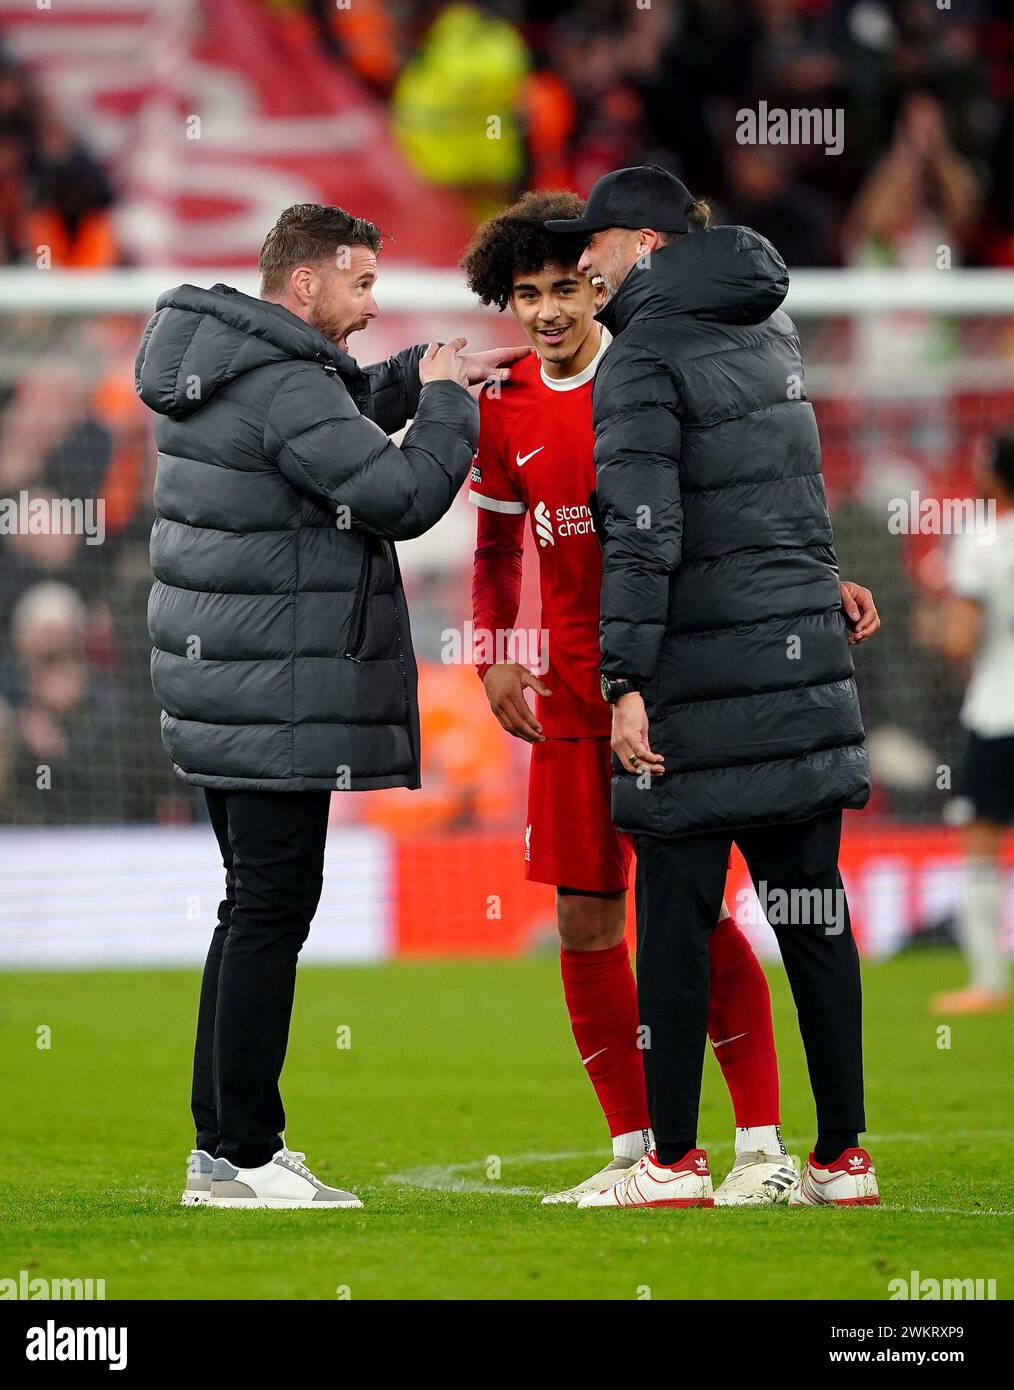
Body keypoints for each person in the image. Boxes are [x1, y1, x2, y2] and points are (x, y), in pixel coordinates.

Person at [462, 189, 880, 1206]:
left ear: (605, 278)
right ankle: (634, 1148)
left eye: (569, 283)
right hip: (574, 688)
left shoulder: (650, 363)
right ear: (508, 303)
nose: (554, 308)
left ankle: (757, 1142)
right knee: (585, 919)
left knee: (693, 913)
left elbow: (713, 512)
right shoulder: (505, 398)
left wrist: (797, 583)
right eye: (531, 292)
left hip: (668, 678)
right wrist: (492, 650)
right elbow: (495, 544)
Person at [136, 202, 523, 1211]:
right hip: (279, 690)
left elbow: (332, 414)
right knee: (269, 910)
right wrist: (444, 406)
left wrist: (416, 377)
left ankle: (223, 1149)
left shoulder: (227, 361)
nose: (372, 302)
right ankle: (244, 1157)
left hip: (228, 686)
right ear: (303, 285)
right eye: (360, 283)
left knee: (250, 908)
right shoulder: (282, 382)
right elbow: (397, 494)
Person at [932, 436, 1014, 1016]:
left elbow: (961, 637)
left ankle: (987, 982)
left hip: (999, 709)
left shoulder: (981, 541)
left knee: (981, 843)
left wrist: (938, 630)